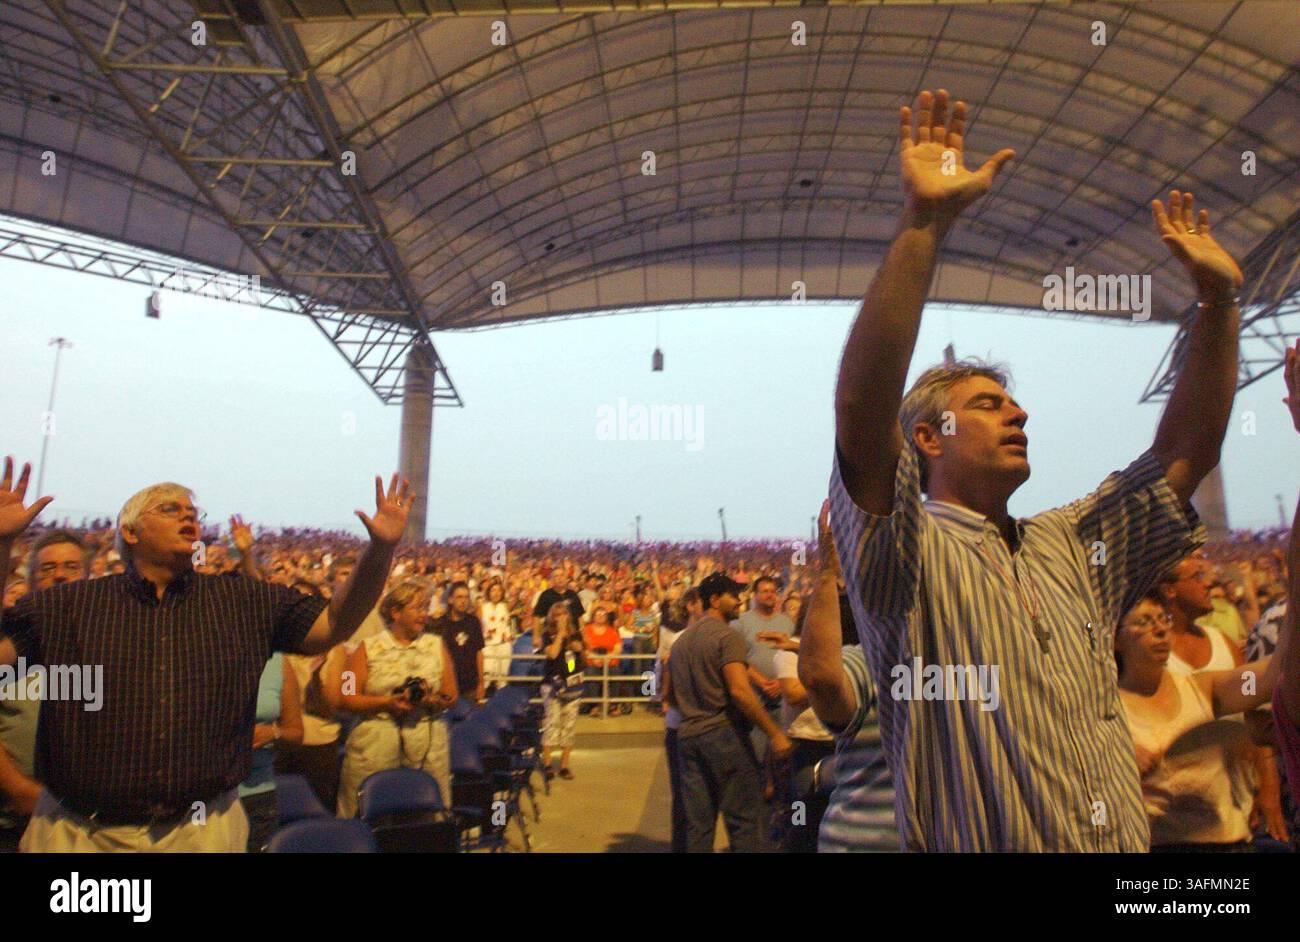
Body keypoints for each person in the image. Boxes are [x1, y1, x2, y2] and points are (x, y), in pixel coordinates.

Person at [829, 88, 1242, 851]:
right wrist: (922, 227)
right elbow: (860, 416)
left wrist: (1217, 306)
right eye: (988, 404)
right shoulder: (903, 561)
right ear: (927, 438)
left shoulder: (1073, 545)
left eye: (1015, 405)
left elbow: (1186, 454)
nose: (1017, 415)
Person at [0, 460, 415, 851]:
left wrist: (379, 551)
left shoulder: (241, 600)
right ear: (129, 532)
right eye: (170, 508)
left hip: (201, 832)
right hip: (80, 834)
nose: (188, 516)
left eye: (193, 510)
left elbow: (332, 625)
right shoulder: (66, 607)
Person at [769, 502, 898, 852]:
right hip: (810, 749)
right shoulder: (854, 661)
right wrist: (826, 575)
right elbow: (810, 685)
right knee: (802, 822)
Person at [1116, 591, 1277, 850]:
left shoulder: (1201, 688)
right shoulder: (1107, 709)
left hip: (1229, 843)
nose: (1160, 630)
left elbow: (1266, 680)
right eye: (1144, 622)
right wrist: (1120, 761)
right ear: (1115, 639)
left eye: (1163, 618)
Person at [667, 572, 792, 853]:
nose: (739, 600)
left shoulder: (681, 643)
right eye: (733, 595)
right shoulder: (727, 637)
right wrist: (774, 734)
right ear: (714, 600)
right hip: (723, 735)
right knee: (746, 822)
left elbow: (671, 698)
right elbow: (739, 690)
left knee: (698, 826)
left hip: (687, 737)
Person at [0, 528, 89, 852]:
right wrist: (16, 787)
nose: (60, 576)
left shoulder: (111, 639)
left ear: (90, 576)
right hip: (12, 818)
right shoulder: (10, 642)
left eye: (71, 567)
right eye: (48, 569)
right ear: (33, 578)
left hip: (85, 821)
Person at [337, 579, 457, 817]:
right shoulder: (367, 648)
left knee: (422, 819)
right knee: (367, 816)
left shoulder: (435, 645)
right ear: (395, 612)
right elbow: (346, 696)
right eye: (417, 608)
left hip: (426, 746)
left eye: (425, 608)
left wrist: (430, 700)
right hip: (374, 746)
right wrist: (386, 702)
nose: (424, 615)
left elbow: (451, 695)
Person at [730, 575, 792, 787]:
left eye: (773, 591)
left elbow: (795, 657)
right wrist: (761, 680)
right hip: (755, 699)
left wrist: (781, 684)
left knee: (783, 753)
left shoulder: (787, 622)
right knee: (754, 755)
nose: (769, 595)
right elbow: (737, 659)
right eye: (764, 591)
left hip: (784, 699)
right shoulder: (741, 623)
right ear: (755, 596)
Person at [239, 653, 303, 852]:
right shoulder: (204, 657)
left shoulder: (278, 662)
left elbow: (297, 733)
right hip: (206, 798)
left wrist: (273, 732)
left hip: (258, 793)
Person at [660, 588, 702, 853]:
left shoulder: (725, 638)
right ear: (691, 606)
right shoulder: (675, 641)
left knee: (702, 800)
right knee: (684, 798)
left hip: (700, 729)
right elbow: (662, 694)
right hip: (681, 728)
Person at [539, 603, 585, 779]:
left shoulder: (575, 633)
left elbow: (579, 655)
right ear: (552, 617)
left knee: (569, 725)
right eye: (557, 615)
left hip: (572, 685)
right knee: (552, 723)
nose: (561, 618)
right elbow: (552, 654)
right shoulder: (547, 635)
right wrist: (560, 634)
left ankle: (565, 765)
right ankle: (548, 763)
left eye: (564, 614)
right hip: (552, 685)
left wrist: (577, 645)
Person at [435, 581, 486, 703]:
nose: (463, 601)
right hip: (446, 686)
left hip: (470, 686)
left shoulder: (473, 622)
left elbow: (479, 652)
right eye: (459, 597)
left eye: (466, 597)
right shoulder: (440, 624)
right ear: (450, 600)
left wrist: (481, 683)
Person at [480, 579, 513, 691]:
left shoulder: (505, 606)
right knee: (486, 675)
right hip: (487, 645)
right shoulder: (482, 607)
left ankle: (502, 705)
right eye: (493, 590)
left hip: (503, 645)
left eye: (499, 590)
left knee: (502, 678)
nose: (496, 593)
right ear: (489, 592)